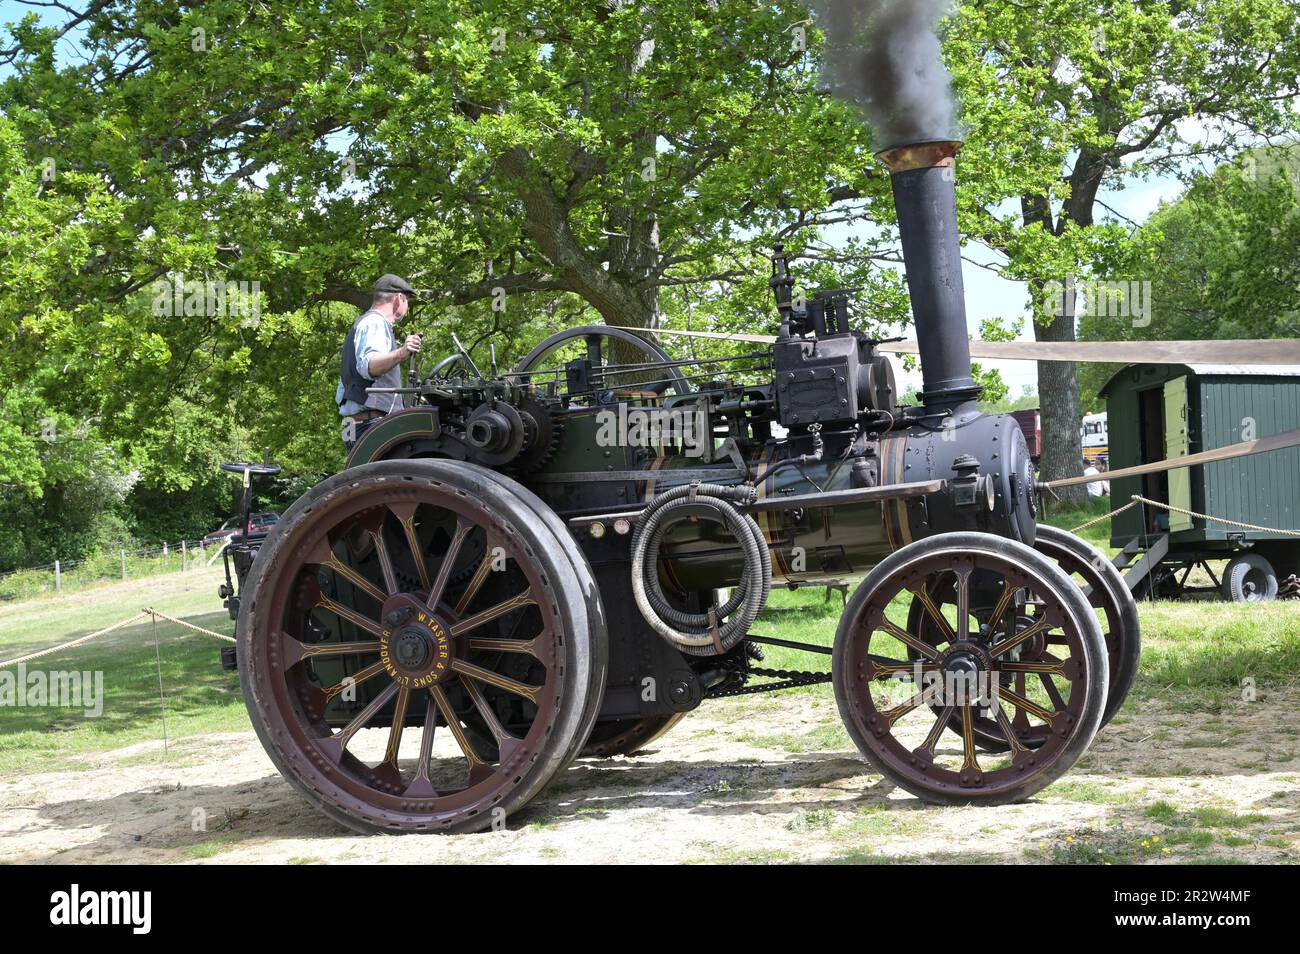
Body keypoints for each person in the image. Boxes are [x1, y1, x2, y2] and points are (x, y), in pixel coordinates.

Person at [337, 274, 422, 451]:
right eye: (407, 301)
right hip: (369, 424)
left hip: (357, 424)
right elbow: (370, 366)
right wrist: (403, 351)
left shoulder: (366, 322)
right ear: (399, 299)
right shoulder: (375, 322)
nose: (407, 308)